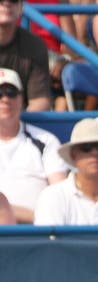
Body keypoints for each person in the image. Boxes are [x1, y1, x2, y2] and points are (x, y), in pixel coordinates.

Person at [0, 68, 68, 222]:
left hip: (38, 232)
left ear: (21, 98)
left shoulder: (45, 141)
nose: (5, 99)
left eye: (11, 92)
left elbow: (61, 194)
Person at [0, 0, 52, 111]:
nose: (6, 3)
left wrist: (16, 124)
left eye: (13, 0)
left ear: (20, 7)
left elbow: (40, 100)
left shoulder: (34, 45)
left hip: (17, 121)